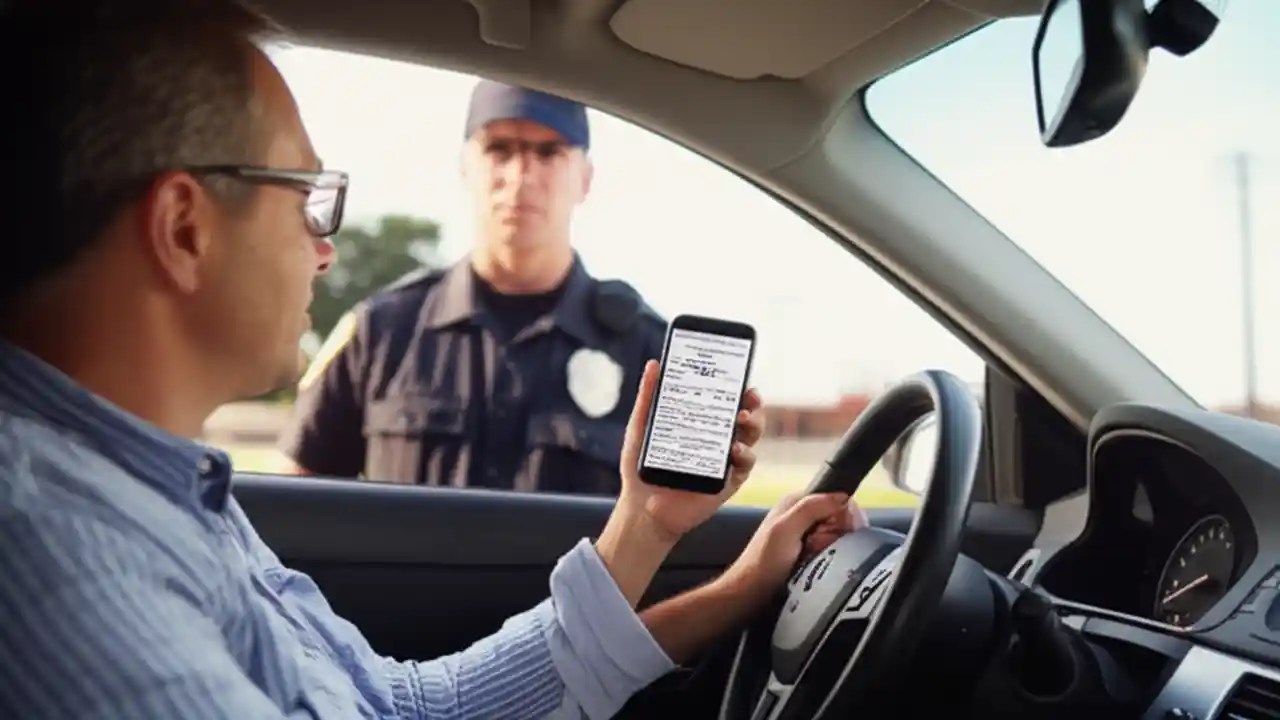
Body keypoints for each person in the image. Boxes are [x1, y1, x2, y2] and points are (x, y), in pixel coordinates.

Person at [0, 2, 866, 718]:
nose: (326, 250)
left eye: (546, 152)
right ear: (186, 229)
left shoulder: (179, 502)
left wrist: (658, 529)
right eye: (308, 196)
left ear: (582, 177)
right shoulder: (66, 565)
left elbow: (406, 705)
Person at [278, 78, 669, 495]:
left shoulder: (647, 352)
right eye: (499, 149)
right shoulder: (381, 332)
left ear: (586, 178)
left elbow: (677, 530)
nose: (520, 176)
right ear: (465, 166)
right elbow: (294, 506)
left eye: (549, 152)